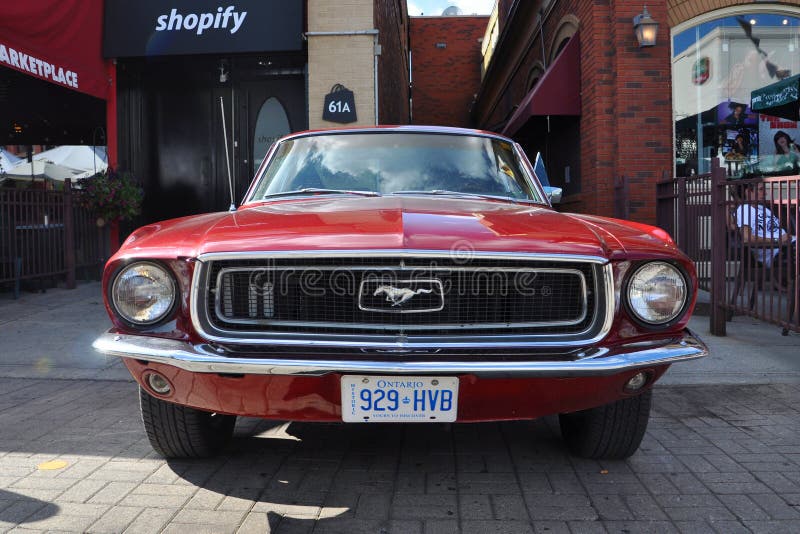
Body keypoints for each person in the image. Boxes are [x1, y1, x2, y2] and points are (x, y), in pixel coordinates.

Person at [735, 182, 796, 269]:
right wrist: (777, 240)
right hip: (777, 250)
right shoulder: (744, 209)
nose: (765, 193)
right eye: (761, 189)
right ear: (748, 192)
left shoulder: (764, 209)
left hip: (788, 244)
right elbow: (746, 238)